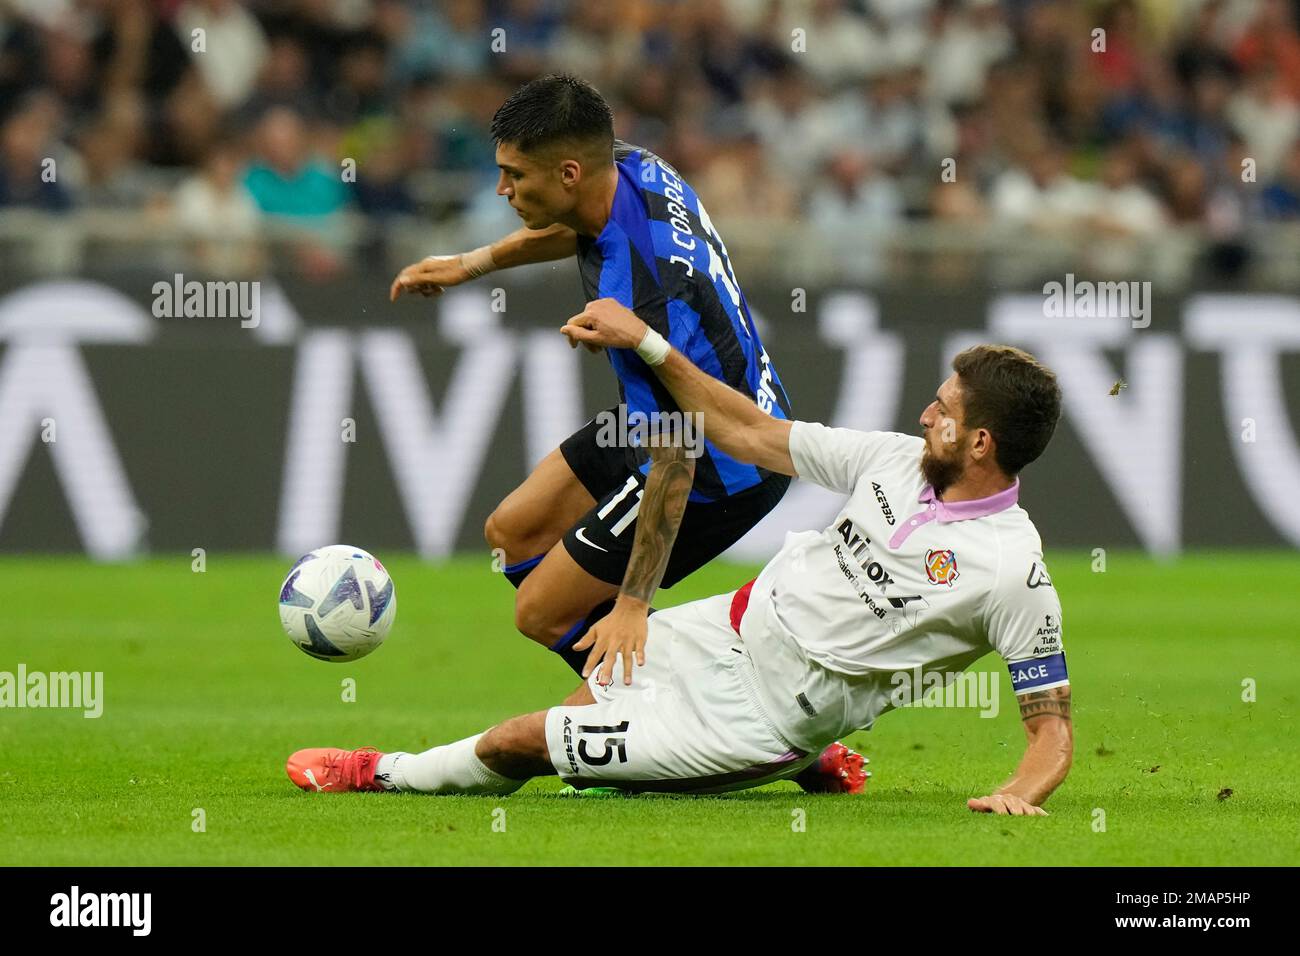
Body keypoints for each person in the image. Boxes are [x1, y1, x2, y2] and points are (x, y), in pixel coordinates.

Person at [286, 301, 1072, 814]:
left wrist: (1018, 794)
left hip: (756, 718)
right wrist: (650, 343)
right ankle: (820, 761)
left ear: (979, 443)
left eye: (944, 409)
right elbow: (748, 432)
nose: (925, 411)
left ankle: (373, 770)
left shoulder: (1010, 571)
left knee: (523, 741)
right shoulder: (894, 459)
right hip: (719, 631)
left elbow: (1051, 730)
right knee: (554, 628)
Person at [388, 74, 802, 731]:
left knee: (543, 612)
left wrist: (633, 603)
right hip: (676, 421)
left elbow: (678, 457)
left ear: (571, 170)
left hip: (724, 466)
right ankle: (665, 699)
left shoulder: (644, 296)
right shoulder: (634, 167)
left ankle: (736, 712)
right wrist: (471, 264)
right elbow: (574, 224)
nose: (503, 191)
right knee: (513, 533)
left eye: (513, 176)